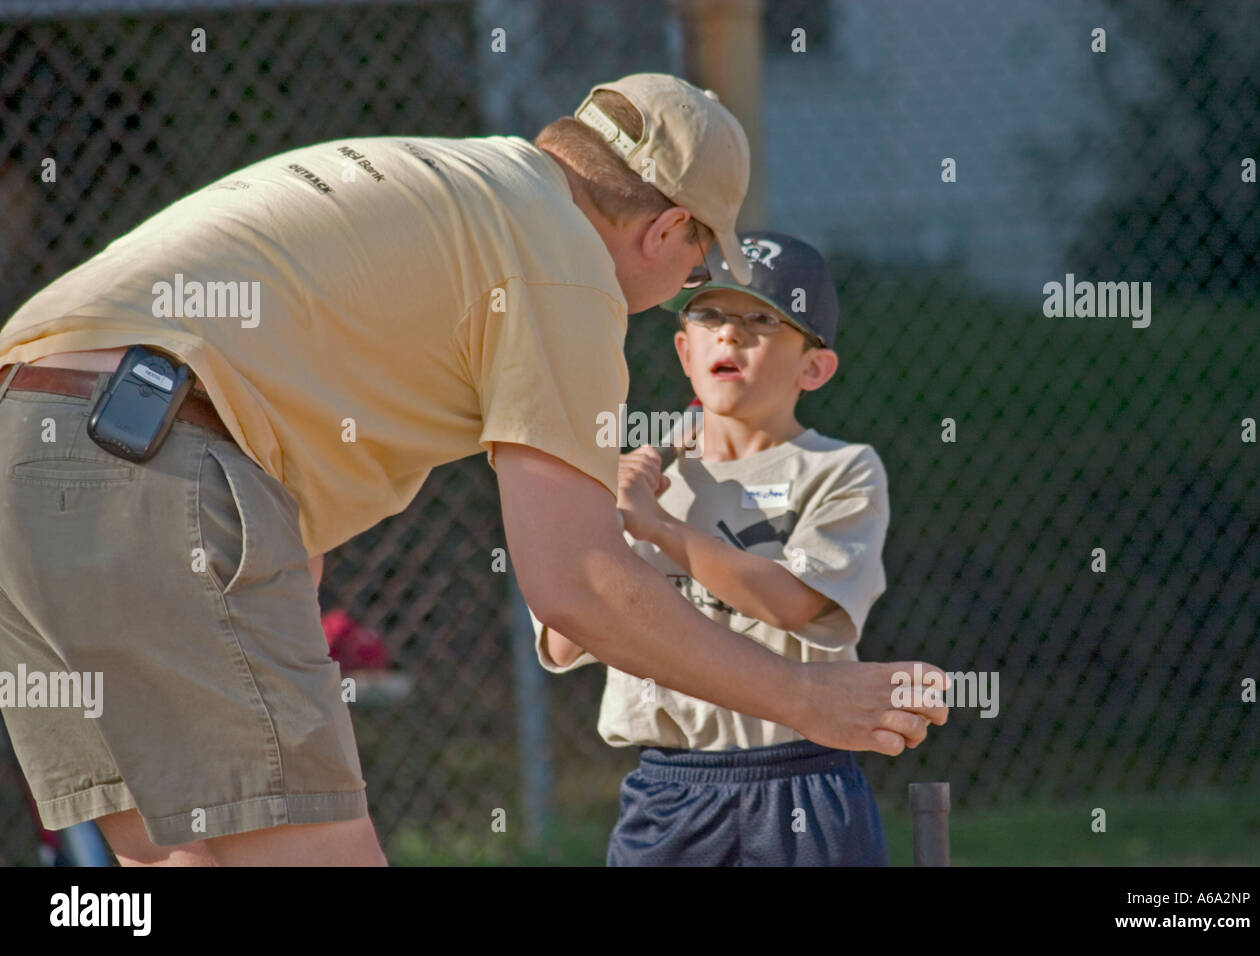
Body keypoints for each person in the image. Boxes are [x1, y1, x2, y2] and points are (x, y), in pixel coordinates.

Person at [0, 73, 946, 867]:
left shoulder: (459, 179)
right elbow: (575, 583)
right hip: (150, 456)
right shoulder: (563, 260)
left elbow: (267, 397)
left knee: (178, 857)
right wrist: (810, 697)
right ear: (666, 233)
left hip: (33, 445)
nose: (679, 301)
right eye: (698, 276)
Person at [537, 231, 894, 866]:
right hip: (670, 792)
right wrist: (600, 522)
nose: (729, 335)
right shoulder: (629, 486)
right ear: (684, 349)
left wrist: (662, 529)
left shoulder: (840, 470)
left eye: (762, 320)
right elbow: (564, 640)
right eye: (709, 316)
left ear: (814, 366)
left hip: (798, 781)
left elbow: (792, 605)